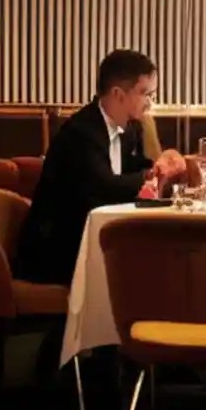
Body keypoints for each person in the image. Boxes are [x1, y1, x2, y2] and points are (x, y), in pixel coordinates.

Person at [15, 50, 186, 285]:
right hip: (58, 253)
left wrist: (163, 165)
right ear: (118, 94)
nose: (149, 102)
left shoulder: (130, 129)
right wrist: (153, 174)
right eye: (144, 93)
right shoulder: (81, 133)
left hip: (98, 240)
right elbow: (104, 188)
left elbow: (137, 172)